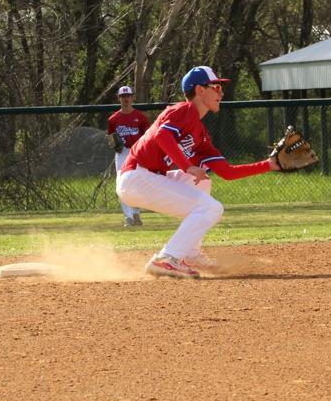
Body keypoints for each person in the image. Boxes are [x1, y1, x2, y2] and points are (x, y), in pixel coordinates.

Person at [116, 66, 281, 279]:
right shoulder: (183, 110)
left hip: (148, 178)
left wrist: (269, 165)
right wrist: (186, 166)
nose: (221, 93)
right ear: (199, 90)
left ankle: (189, 255)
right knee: (212, 208)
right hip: (136, 177)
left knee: (202, 183)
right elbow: (162, 137)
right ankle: (166, 258)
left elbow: (227, 172)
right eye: (216, 87)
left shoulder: (200, 134)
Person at [107, 85, 150, 227]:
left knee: (136, 183)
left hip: (137, 152)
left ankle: (136, 212)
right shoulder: (113, 119)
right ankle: (128, 217)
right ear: (119, 99)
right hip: (122, 152)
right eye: (123, 96)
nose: (126, 99)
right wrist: (114, 144)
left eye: (128, 96)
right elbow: (111, 137)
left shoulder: (140, 117)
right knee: (121, 184)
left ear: (132, 98)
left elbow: (148, 136)